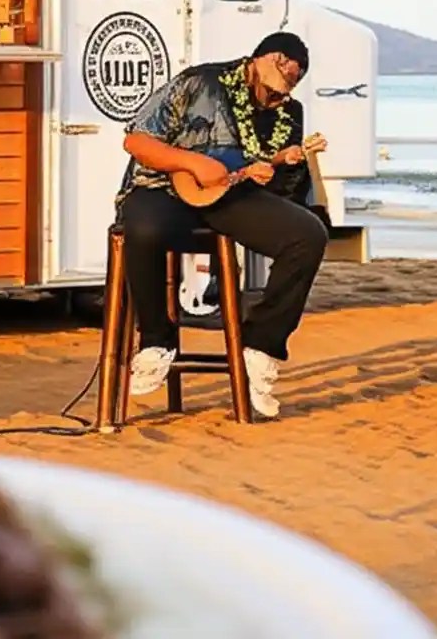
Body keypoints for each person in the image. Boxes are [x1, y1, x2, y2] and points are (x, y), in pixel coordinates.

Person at [115, 31, 330, 418]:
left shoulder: (287, 113)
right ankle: (156, 341)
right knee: (145, 228)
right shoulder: (202, 82)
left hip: (230, 194)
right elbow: (137, 140)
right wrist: (193, 161)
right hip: (162, 186)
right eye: (274, 86)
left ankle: (261, 346)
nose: (275, 98)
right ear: (262, 61)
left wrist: (281, 169)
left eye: (286, 90)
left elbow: (281, 190)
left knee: (308, 233)